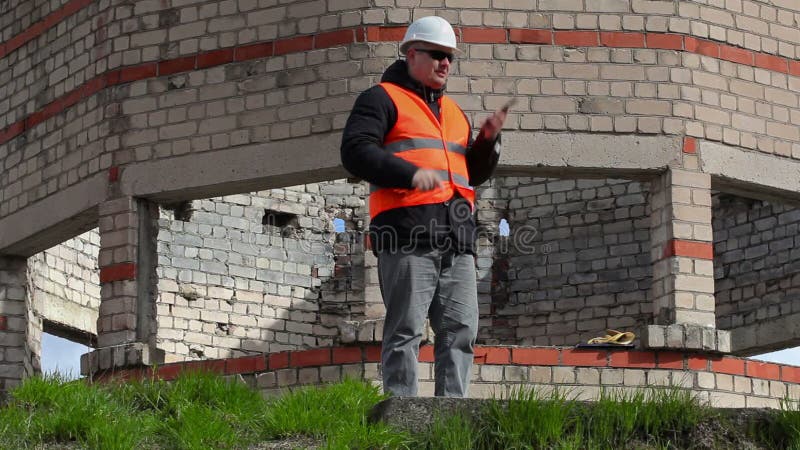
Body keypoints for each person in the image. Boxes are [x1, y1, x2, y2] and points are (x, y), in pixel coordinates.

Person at [340, 16, 508, 397]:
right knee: (405, 330)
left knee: (462, 330)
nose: (445, 63)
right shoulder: (380, 99)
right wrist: (409, 173)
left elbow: (470, 175)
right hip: (406, 234)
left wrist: (486, 143)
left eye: (450, 57)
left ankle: (452, 416)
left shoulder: (453, 113)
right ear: (411, 53)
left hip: (457, 240)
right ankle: (401, 413)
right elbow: (355, 152)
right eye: (437, 55)